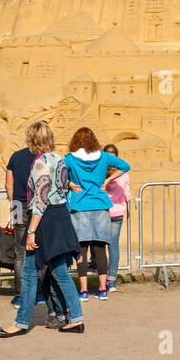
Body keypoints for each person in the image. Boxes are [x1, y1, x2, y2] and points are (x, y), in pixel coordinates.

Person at [0, 121, 84, 337]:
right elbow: (62, 189)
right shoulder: (59, 160)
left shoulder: (39, 164)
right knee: (59, 271)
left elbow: (40, 200)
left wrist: (31, 231)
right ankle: (75, 318)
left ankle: (21, 322)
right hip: (61, 217)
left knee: (28, 270)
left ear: (31, 139)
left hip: (45, 220)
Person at [63, 129, 129, 302]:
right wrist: (107, 181)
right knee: (100, 249)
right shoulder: (104, 157)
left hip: (79, 205)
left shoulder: (70, 158)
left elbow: (58, 173)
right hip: (100, 205)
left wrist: (69, 183)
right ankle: (102, 289)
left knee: (81, 250)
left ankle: (83, 290)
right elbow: (125, 166)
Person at [4, 135, 36, 305]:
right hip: (38, 208)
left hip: (18, 206)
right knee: (39, 250)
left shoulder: (16, 156)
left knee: (20, 252)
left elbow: (9, 184)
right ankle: (39, 293)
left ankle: (22, 294)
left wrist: (13, 203)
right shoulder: (44, 156)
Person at [103, 144, 132, 292]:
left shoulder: (101, 173)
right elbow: (127, 195)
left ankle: (99, 271)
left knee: (99, 245)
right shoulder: (124, 175)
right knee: (113, 245)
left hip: (103, 212)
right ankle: (111, 280)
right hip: (118, 213)